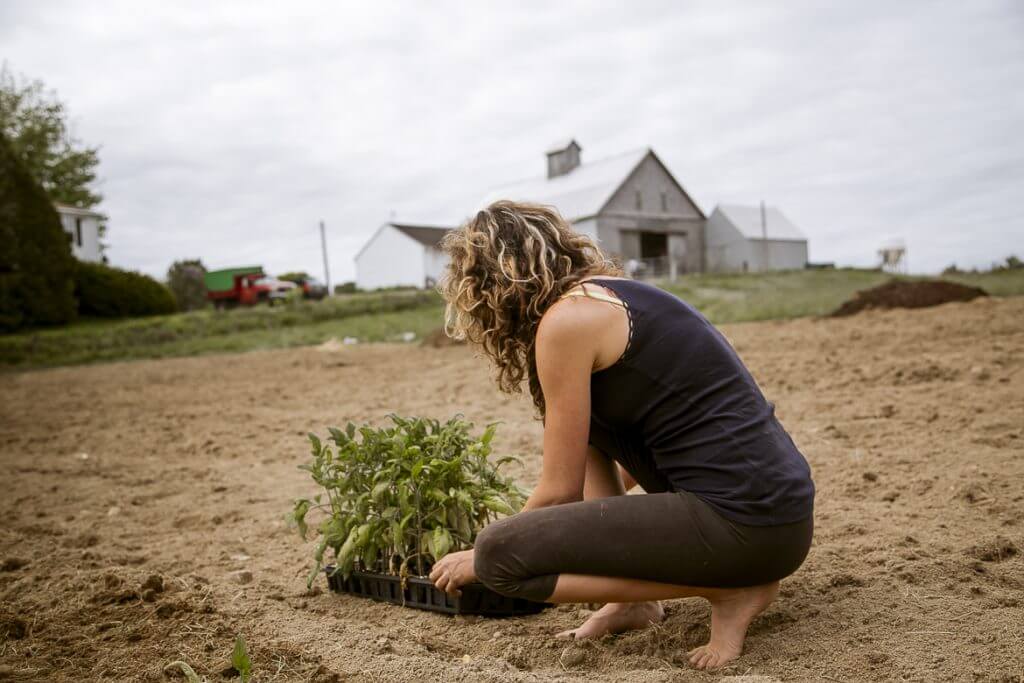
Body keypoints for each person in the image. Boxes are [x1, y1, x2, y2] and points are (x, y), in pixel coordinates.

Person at [430, 201, 815, 670]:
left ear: (490, 285)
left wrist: (482, 552)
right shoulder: (612, 298)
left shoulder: (565, 323)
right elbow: (598, 486)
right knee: (516, 542)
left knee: (499, 558)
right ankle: (633, 604)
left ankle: (731, 589)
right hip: (781, 518)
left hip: (744, 523)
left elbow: (558, 494)